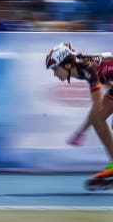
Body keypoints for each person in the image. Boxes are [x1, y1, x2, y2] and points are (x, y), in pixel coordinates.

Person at [46, 42, 113, 186]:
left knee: (98, 118)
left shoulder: (88, 68)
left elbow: (97, 105)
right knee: (98, 119)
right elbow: (106, 63)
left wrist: (80, 133)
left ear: (67, 65)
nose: (55, 74)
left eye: (55, 69)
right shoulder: (81, 65)